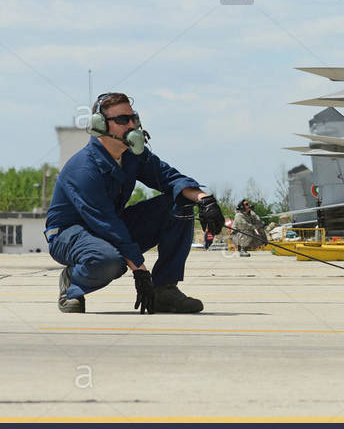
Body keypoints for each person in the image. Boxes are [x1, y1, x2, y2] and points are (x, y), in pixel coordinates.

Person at [45, 92, 224, 314]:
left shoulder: (132, 156)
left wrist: (205, 200)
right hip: (69, 234)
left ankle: (164, 290)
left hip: (108, 226)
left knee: (181, 204)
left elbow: (168, 177)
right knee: (110, 259)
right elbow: (106, 224)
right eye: (122, 120)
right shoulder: (83, 169)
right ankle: (73, 282)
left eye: (134, 118)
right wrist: (140, 272)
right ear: (100, 125)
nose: (132, 125)